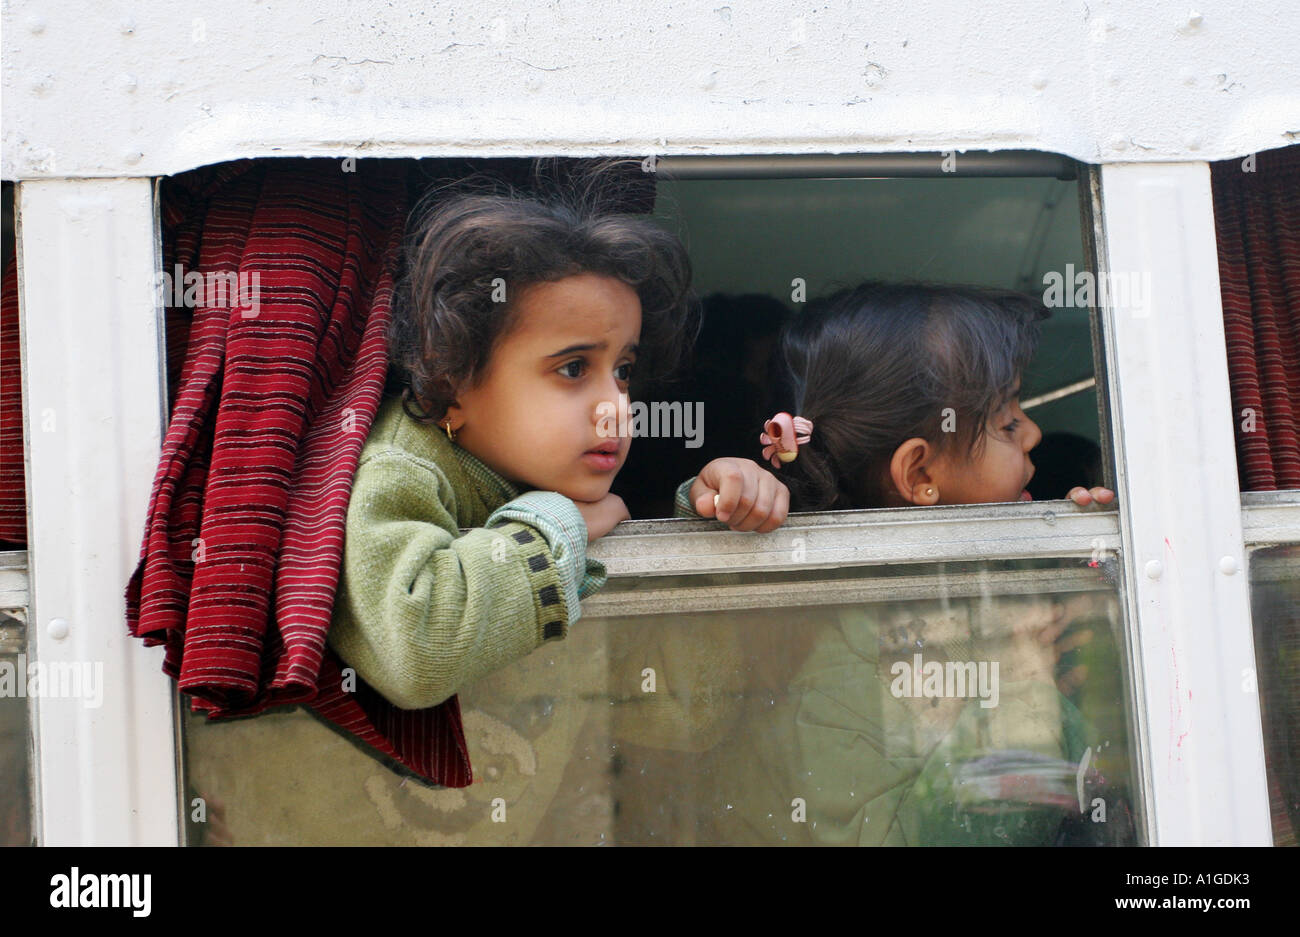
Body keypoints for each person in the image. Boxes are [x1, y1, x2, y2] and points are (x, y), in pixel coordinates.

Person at [679, 281, 1135, 845]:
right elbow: (982, 826)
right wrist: (1022, 669)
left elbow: (1099, 771)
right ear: (920, 476)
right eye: (1007, 421)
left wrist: (1080, 576)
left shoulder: (978, 593)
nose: (1036, 432)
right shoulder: (844, 648)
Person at [326, 162, 789, 715]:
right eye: (573, 369)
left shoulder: (537, 463)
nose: (617, 410)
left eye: (623, 370)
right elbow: (413, 649)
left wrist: (708, 514)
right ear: (452, 379)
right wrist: (556, 526)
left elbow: (682, 719)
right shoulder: (400, 468)